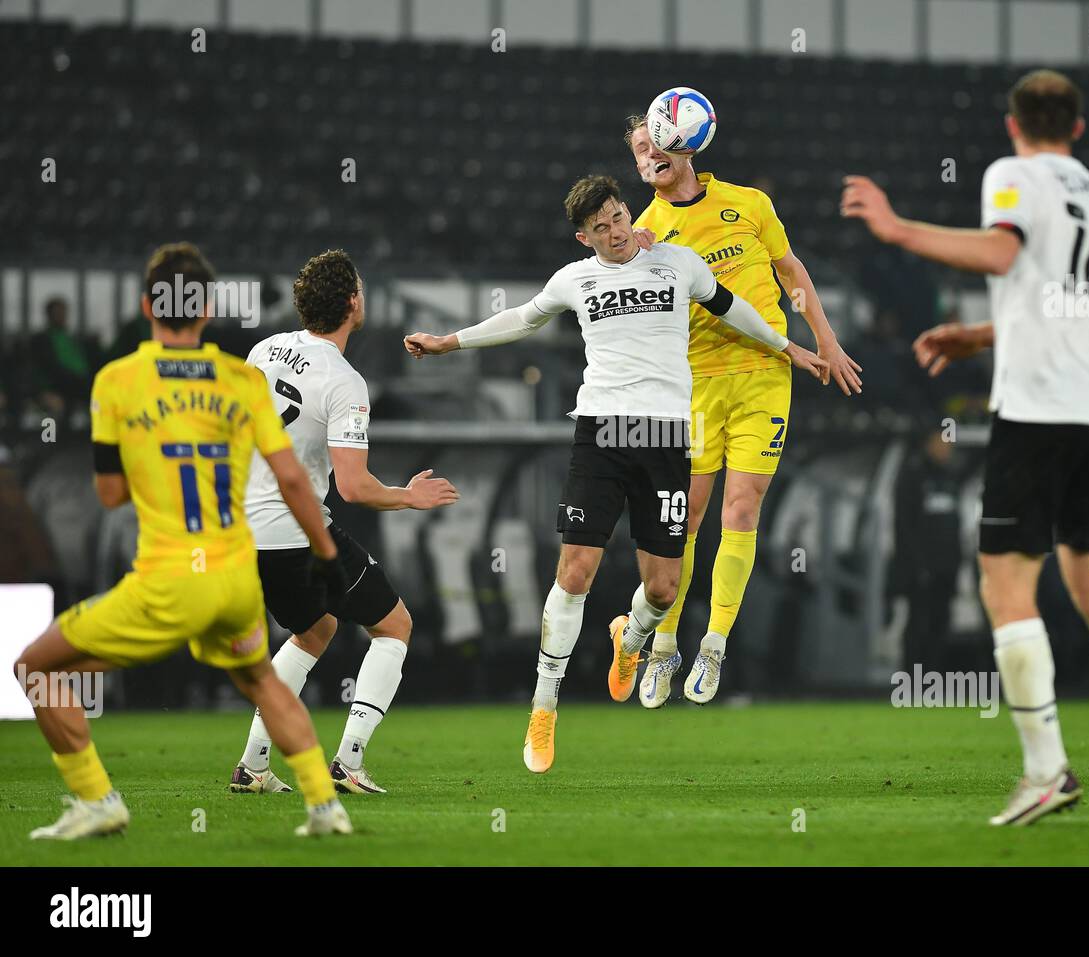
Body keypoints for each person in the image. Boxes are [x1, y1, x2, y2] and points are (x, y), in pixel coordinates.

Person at [404, 174, 828, 772]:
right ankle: (543, 709)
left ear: (627, 212)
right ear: (584, 237)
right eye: (600, 228)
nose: (615, 231)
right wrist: (449, 342)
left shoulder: (677, 264)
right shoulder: (574, 280)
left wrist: (792, 349)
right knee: (574, 573)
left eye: (618, 217)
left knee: (663, 589)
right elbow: (523, 319)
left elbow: (735, 310)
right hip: (601, 433)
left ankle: (630, 639)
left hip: (665, 438)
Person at [841, 69, 1089, 826]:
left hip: (1037, 408)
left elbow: (998, 254)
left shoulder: (1013, 173)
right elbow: (1065, 304)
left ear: (1013, 123)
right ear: (1078, 128)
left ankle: (1046, 769)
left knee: (1003, 586)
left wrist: (897, 230)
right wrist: (982, 335)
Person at [13, 243, 352, 839]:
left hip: (167, 579)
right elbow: (295, 478)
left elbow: (112, 493)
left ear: (147, 304)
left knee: (36, 668)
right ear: (208, 307)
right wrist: (325, 555)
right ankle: (326, 808)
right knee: (262, 681)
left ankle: (96, 799)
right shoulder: (238, 379)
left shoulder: (116, 382)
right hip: (233, 577)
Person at [624, 115, 861, 708]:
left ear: (683, 145)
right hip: (696, 383)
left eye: (653, 144)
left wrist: (825, 339)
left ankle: (714, 646)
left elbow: (791, 272)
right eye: (637, 151)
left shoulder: (748, 203)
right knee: (686, 517)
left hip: (763, 375)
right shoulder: (645, 230)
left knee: (742, 505)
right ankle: (664, 649)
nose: (647, 156)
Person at [229, 249, 459, 796]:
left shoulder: (264, 350)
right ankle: (349, 762)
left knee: (317, 628)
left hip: (244, 528)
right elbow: (354, 487)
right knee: (394, 625)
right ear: (353, 302)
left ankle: (253, 766)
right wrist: (409, 496)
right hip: (294, 530)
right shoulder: (344, 381)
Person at [892, 430, 964, 671]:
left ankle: (933, 680)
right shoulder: (913, 476)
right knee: (919, 623)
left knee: (940, 623)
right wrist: (915, 564)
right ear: (929, 443)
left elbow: (955, 524)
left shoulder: (951, 477)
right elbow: (904, 525)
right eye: (943, 442)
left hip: (947, 567)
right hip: (920, 569)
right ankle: (911, 680)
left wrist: (957, 561)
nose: (948, 448)